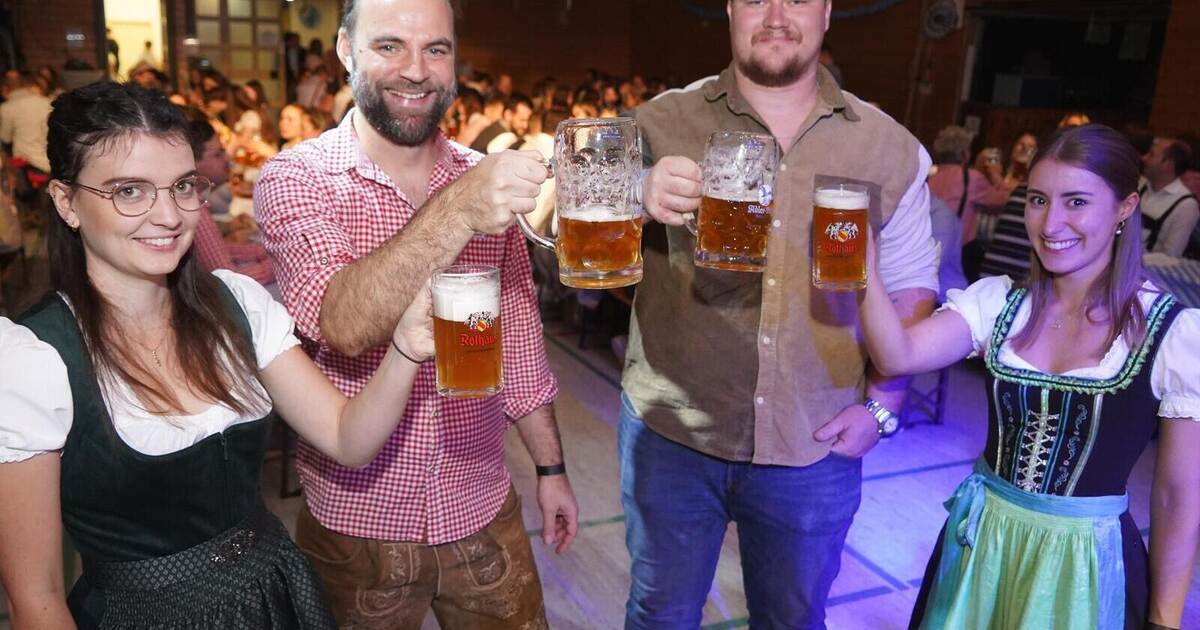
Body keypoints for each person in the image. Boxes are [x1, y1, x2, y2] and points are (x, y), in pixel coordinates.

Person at [0, 81, 438, 628]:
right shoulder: (35, 358)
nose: (168, 216)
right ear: (67, 203)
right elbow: (37, 600)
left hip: (276, 598)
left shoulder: (237, 306)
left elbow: (348, 438)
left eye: (182, 186)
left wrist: (404, 350)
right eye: (130, 191)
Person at [254, 0, 578, 626]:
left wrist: (551, 467)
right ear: (346, 51)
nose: (416, 70)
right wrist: (457, 210)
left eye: (436, 49)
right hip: (359, 528)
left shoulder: (478, 177)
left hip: (483, 505)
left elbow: (519, 342)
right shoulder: (299, 178)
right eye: (389, 47)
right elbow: (341, 323)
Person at [628, 0, 940, 626]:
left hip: (816, 443)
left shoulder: (891, 148)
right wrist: (637, 186)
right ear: (729, 9)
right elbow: (561, 218)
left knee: (792, 621)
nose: (775, 13)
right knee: (660, 616)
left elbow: (911, 291)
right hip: (673, 435)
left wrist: (886, 404)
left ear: (826, 11)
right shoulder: (659, 121)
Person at [857, 124, 1200, 630]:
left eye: (1077, 201)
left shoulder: (1171, 332)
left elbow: (1177, 494)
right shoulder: (1000, 304)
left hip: (1086, 568)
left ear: (1125, 208)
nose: (1051, 221)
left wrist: (1165, 620)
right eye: (1039, 199)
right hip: (982, 545)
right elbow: (898, 352)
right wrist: (857, 252)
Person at [189, 117, 275, 285]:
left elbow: (214, 251)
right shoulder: (193, 205)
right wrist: (279, 264)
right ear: (192, 162)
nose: (227, 159)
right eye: (218, 154)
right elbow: (227, 281)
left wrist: (262, 252)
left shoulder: (192, 198)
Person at [1139, 136, 1197, 257]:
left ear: (1168, 165)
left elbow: (1170, 256)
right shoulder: (1140, 184)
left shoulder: (1186, 205)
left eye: (1151, 155)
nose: (1143, 158)